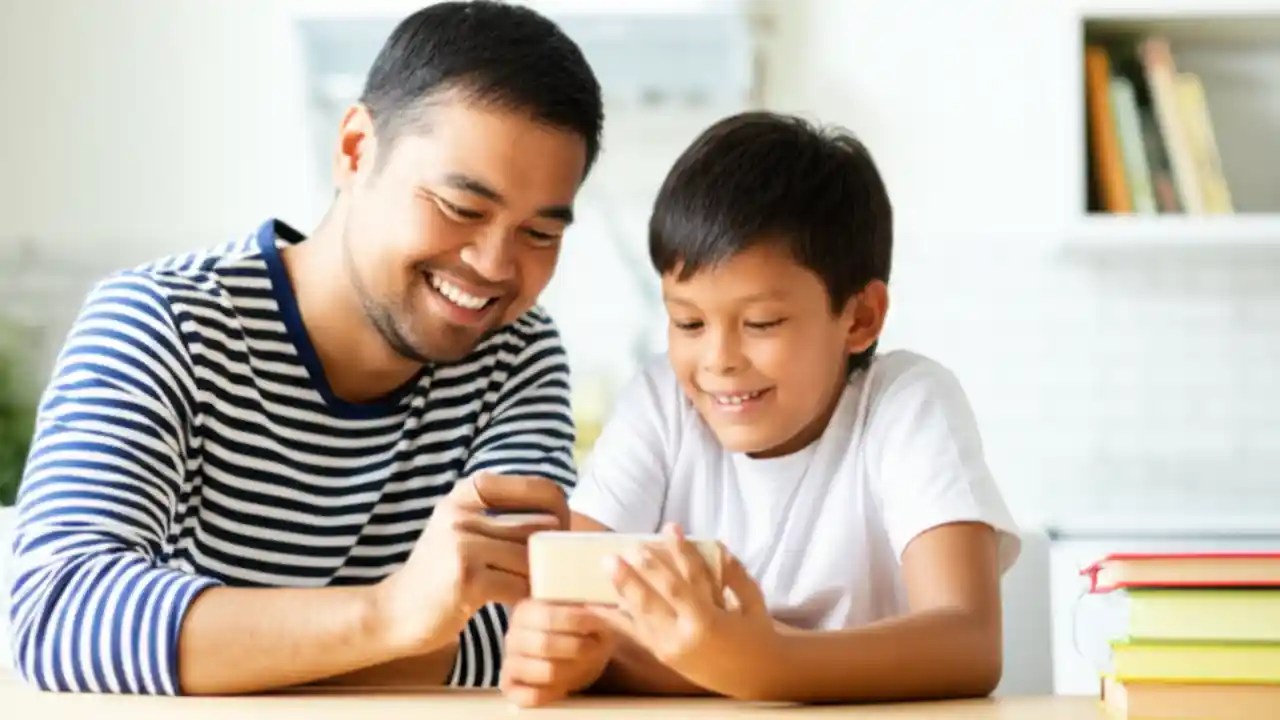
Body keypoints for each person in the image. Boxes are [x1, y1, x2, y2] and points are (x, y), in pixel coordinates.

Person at [8, 1, 603, 695]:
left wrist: (223, 646)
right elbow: (59, 616)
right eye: (461, 208)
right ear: (356, 149)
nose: (496, 265)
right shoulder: (162, 321)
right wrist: (393, 614)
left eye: (539, 234)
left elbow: (522, 631)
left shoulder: (517, 356)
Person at [499, 112, 1022, 706]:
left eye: (761, 323)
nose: (718, 359)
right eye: (688, 322)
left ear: (859, 318)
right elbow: (573, 604)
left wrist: (763, 664)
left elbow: (968, 641)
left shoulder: (905, 403)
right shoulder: (662, 402)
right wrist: (554, 646)